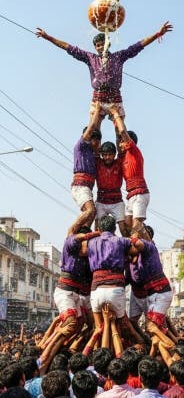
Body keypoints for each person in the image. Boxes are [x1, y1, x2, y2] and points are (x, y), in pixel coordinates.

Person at [35, 22, 172, 123]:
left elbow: (139, 45)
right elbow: (67, 47)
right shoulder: (90, 58)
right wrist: (48, 37)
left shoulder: (119, 56)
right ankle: (94, 159)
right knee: (94, 130)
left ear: (108, 44)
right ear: (95, 47)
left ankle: (122, 158)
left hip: (115, 96)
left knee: (120, 130)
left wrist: (158, 34)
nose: (100, 47)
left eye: (103, 44)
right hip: (98, 96)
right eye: (98, 45)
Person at [38, 227, 98, 373]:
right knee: (70, 323)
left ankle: (59, 348)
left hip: (76, 296)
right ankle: (43, 359)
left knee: (80, 322)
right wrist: (95, 233)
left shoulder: (88, 259)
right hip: (64, 292)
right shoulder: (70, 246)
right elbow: (72, 232)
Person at [84, 215, 145, 357]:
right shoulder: (121, 241)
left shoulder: (91, 242)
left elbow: (80, 250)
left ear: (99, 229)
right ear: (114, 229)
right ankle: (124, 357)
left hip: (96, 290)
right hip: (116, 290)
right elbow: (137, 249)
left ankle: (98, 361)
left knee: (98, 328)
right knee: (120, 326)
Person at [127, 226, 175, 352]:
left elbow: (135, 241)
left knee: (154, 328)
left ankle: (174, 347)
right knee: (150, 328)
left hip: (158, 292)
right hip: (146, 294)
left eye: (136, 235)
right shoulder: (131, 255)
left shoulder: (149, 248)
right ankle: (149, 348)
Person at [69, 115, 102, 236]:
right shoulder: (80, 147)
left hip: (86, 187)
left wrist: (101, 119)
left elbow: (96, 130)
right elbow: (92, 127)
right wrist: (97, 112)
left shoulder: (92, 153)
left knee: (92, 214)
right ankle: (71, 231)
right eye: (95, 140)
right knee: (91, 210)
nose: (97, 143)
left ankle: (81, 232)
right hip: (80, 186)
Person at [117, 124, 150, 241]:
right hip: (131, 195)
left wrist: (116, 116)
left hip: (140, 193)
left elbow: (123, 133)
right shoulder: (123, 158)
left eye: (122, 141)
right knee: (127, 226)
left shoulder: (134, 151)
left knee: (136, 225)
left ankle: (151, 249)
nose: (120, 144)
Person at [95, 141, 127, 236]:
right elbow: (96, 144)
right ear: (101, 155)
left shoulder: (119, 162)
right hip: (101, 200)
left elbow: (120, 146)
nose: (107, 157)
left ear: (114, 155)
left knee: (123, 229)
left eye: (110, 155)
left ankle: (127, 250)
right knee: (98, 229)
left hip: (117, 201)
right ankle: (96, 249)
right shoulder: (98, 162)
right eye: (105, 155)